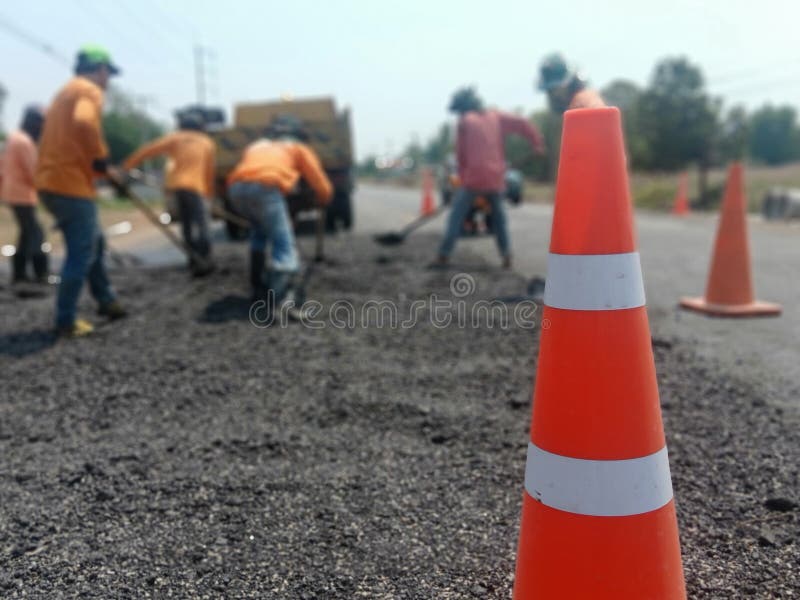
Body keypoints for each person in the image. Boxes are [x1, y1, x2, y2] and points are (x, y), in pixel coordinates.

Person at [35, 45, 126, 337]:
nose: (108, 80)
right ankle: (66, 320)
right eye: (107, 73)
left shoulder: (65, 92)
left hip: (52, 182)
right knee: (81, 253)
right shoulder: (88, 90)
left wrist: (101, 170)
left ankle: (107, 300)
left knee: (94, 243)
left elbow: (71, 142)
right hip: (69, 185)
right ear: (99, 70)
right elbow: (85, 123)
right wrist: (102, 158)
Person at [227, 115, 332, 309]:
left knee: (259, 232)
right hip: (266, 188)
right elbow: (318, 180)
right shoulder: (298, 147)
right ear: (296, 134)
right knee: (284, 244)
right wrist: (324, 198)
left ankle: (257, 286)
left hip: (236, 190)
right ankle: (280, 299)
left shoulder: (257, 145)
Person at [434, 87, 545, 269]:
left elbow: (461, 155)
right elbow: (523, 123)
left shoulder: (464, 122)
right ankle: (506, 255)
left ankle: (443, 255)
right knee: (499, 220)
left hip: (473, 180)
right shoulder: (496, 116)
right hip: (495, 178)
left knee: (456, 217)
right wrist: (537, 143)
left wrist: (463, 180)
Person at [123, 110, 216, 276]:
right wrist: (209, 193)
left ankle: (192, 259)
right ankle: (206, 259)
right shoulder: (207, 142)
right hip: (196, 188)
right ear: (200, 127)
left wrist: (127, 166)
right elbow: (209, 172)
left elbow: (148, 150)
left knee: (186, 225)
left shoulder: (175, 138)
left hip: (177, 188)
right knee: (203, 225)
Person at [1, 105, 49, 285]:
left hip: (13, 192)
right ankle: (40, 273)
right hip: (22, 194)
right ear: (32, 122)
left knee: (27, 233)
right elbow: (33, 172)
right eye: (40, 123)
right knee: (35, 233)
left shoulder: (13, 138)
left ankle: (20, 274)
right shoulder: (24, 142)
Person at [537, 53, 606, 113]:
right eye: (551, 90)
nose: (555, 94)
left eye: (557, 88)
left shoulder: (585, 100)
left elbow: (600, 114)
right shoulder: (568, 106)